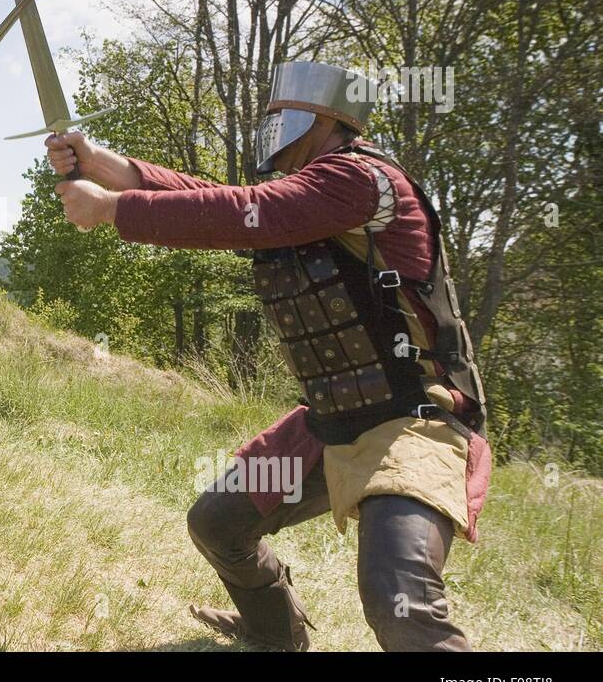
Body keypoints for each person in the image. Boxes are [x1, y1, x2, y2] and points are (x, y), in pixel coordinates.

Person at [45, 61, 490, 651]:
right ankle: (277, 635)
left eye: (287, 115)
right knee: (218, 523)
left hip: (412, 421)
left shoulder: (360, 180)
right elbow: (226, 201)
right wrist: (108, 166)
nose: (275, 126)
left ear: (327, 120)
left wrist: (112, 208)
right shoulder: (304, 192)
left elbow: (249, 212)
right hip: (331, 421)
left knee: (397, 596)